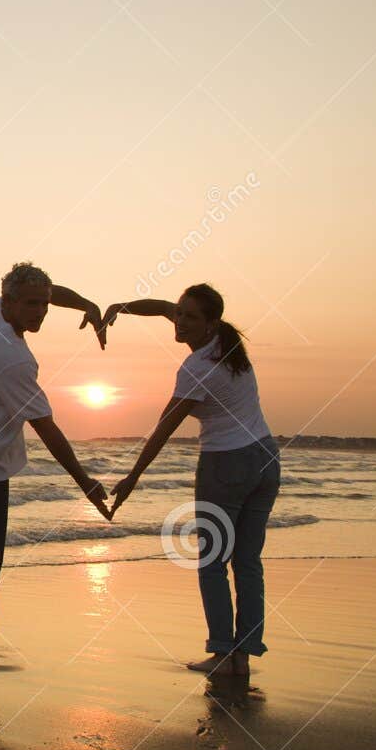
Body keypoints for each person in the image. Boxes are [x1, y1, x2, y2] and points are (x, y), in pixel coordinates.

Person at [0, 262, 112, 666]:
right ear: (9, 301)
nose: (41, 312)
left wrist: (84, 303)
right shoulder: (12, 360)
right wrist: (83, 480)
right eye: (32, 305)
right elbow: (45, 427)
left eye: (45, 305)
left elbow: (49, 291)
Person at [105, 283, 280, 677]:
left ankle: (222, 653)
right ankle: (244, 655)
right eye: (180, 313)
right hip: (266, 457)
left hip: (227, 465)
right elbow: (162, 306)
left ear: (210, 322)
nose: (179, 321)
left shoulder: (197, 368)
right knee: (248, 561)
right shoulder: (225, 342)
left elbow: (163, 428)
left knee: (213, 561)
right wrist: (122, 307)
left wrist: (133, 476)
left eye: (189, 316)